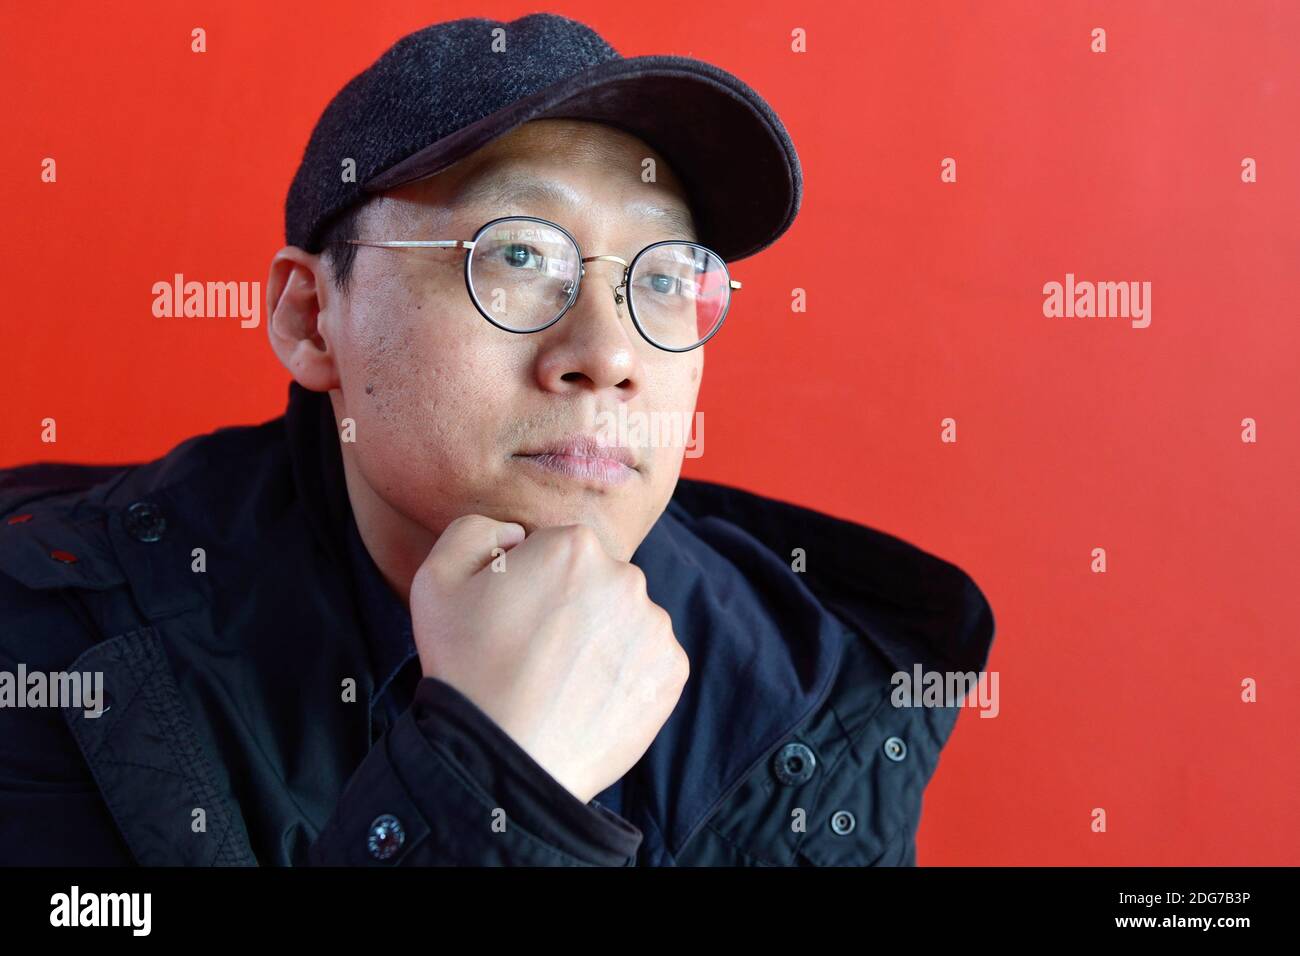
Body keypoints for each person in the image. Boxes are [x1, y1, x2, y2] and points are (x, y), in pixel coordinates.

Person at [0, 12, 995, 867]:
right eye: (518, 253)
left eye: (661, 276)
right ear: (312, 318)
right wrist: (497, 781)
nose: (608, 355)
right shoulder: (64, 647)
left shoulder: (810, 708)